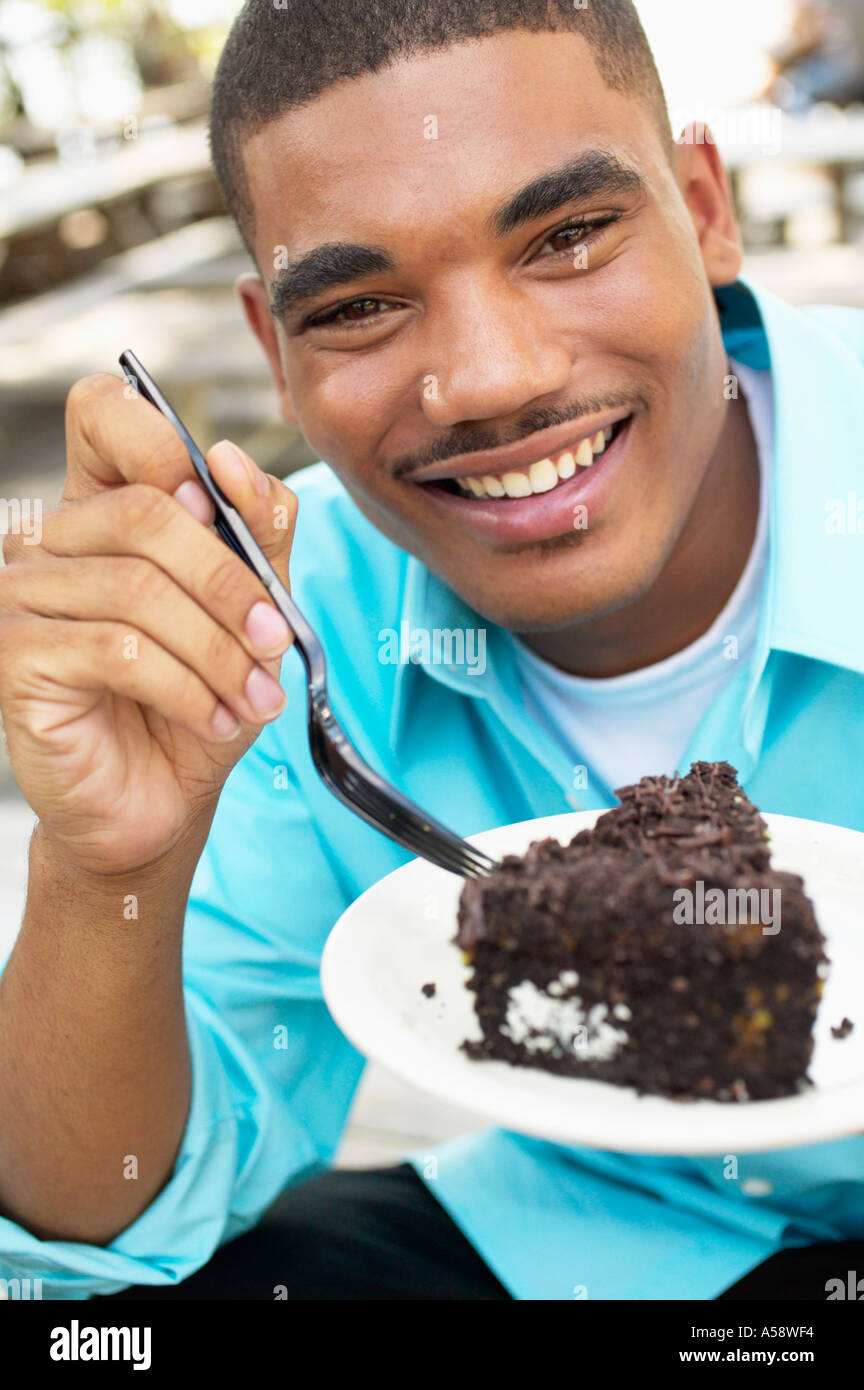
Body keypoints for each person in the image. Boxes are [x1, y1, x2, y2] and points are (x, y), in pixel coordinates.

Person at [0, 0, 863, 1302]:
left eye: (569, 235)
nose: (492, 377)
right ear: (271, 354)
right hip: (582, 1230)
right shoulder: (288, 625)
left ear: (703, 206)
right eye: (357, 305)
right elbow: (96, 1213)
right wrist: (99, 860)